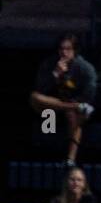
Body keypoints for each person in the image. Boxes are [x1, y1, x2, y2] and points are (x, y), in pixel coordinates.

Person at [29, 33, 96, 165]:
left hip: (78, 107)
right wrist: (55, 75)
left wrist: (75, 103)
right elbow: (40, 89)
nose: (64, 52)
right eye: (61, 49)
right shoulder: (49, 63)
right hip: (53, 106)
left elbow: (89, 94)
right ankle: (46, 152)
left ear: (75, 50)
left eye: (68, 49)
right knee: (35, 99)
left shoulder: (85, 68)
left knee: (72, 114)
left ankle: (71, 158)